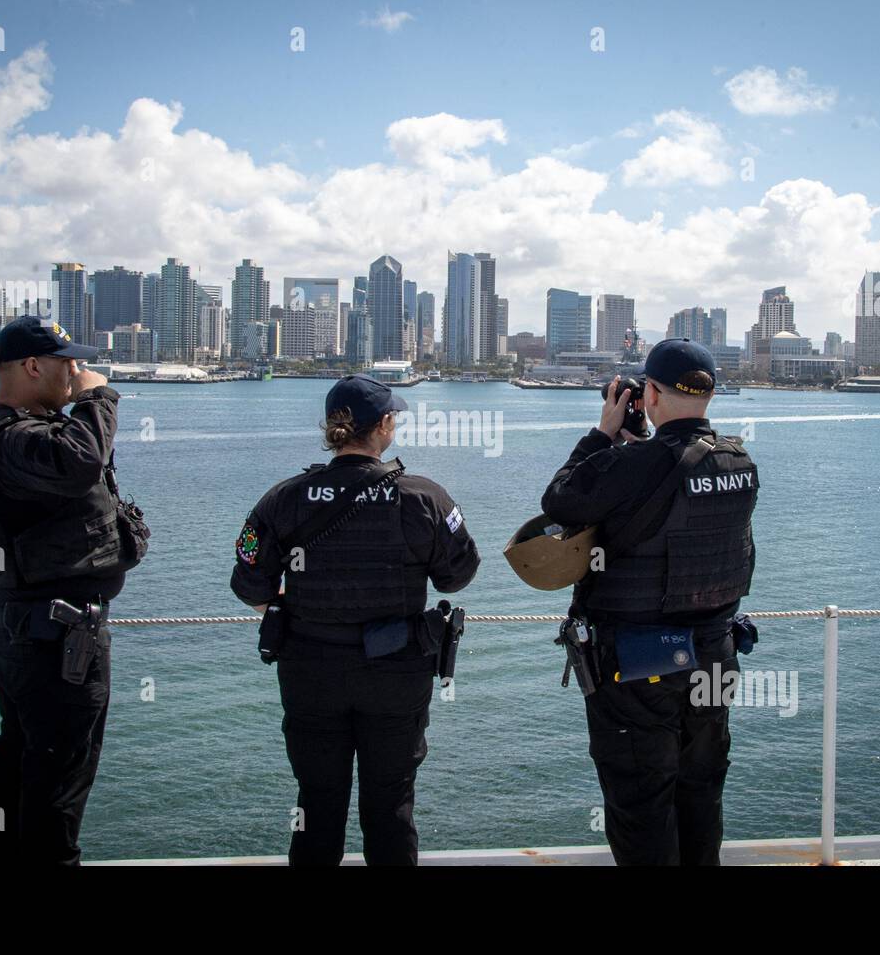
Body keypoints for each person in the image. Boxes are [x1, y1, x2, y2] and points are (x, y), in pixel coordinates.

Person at [231, 374, 480, 866]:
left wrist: (295, 610)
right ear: (385, 425)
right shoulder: (424, 497)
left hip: (309, 671)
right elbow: (457, 576)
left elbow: (249, 580)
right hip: (396, 673)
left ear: (332, 428)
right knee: (390, 807)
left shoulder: (283, 498)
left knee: (317, 804)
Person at [541, 339, 759, 866]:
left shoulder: (633, 463)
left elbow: (560, 502)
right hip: (715, 653)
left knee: (641, 801)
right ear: (708, 394)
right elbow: (679, 498)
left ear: (651, 393)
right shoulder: (740, 462)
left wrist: (602, 433)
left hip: (640, 665)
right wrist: (640, 439)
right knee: (701, 791)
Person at [0, 317, 148, 865]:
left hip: (33, 631)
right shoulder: (13, 438)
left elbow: (76, 466)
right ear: (30, 367)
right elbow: (80, 461)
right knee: (58, 781)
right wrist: (100, 398)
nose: (78, 370)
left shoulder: (16, 432)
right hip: (54, 641)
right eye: (66, 361)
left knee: (23, 763)